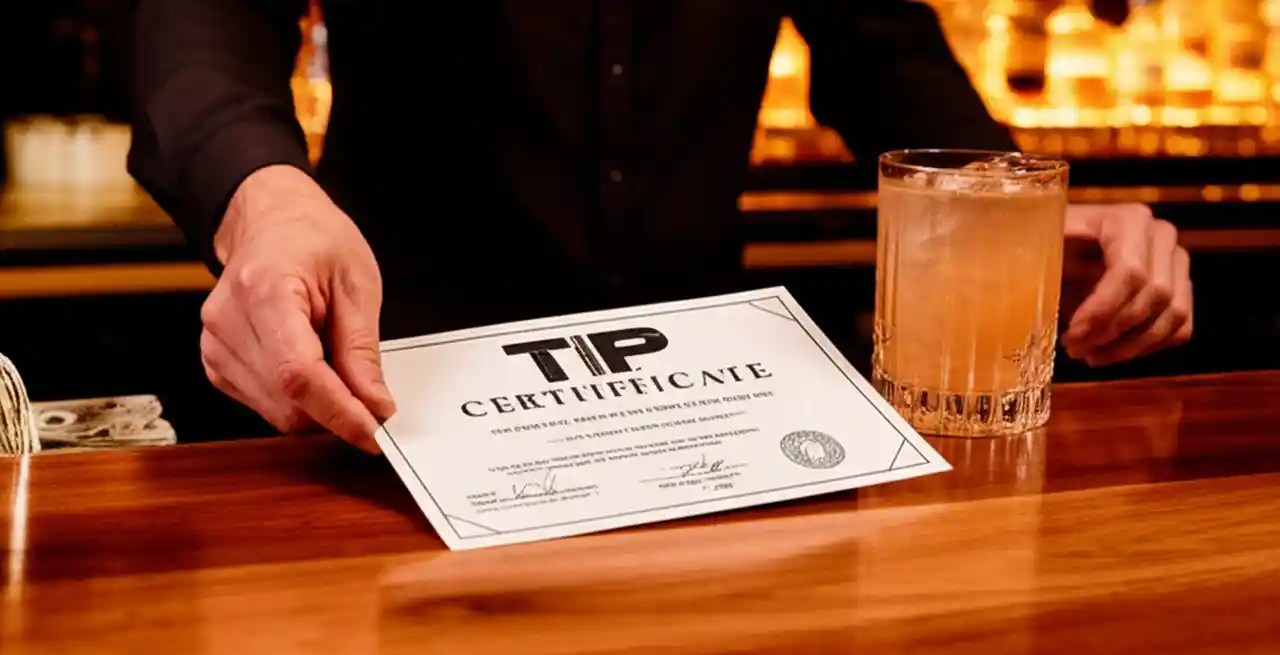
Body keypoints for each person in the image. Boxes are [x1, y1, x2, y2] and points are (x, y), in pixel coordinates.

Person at [128, 1, 1192, 454]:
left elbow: (886, 55)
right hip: (393, 400)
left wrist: (1014, 200)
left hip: (707, 419)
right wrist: (264, 197)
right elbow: (203, 21)